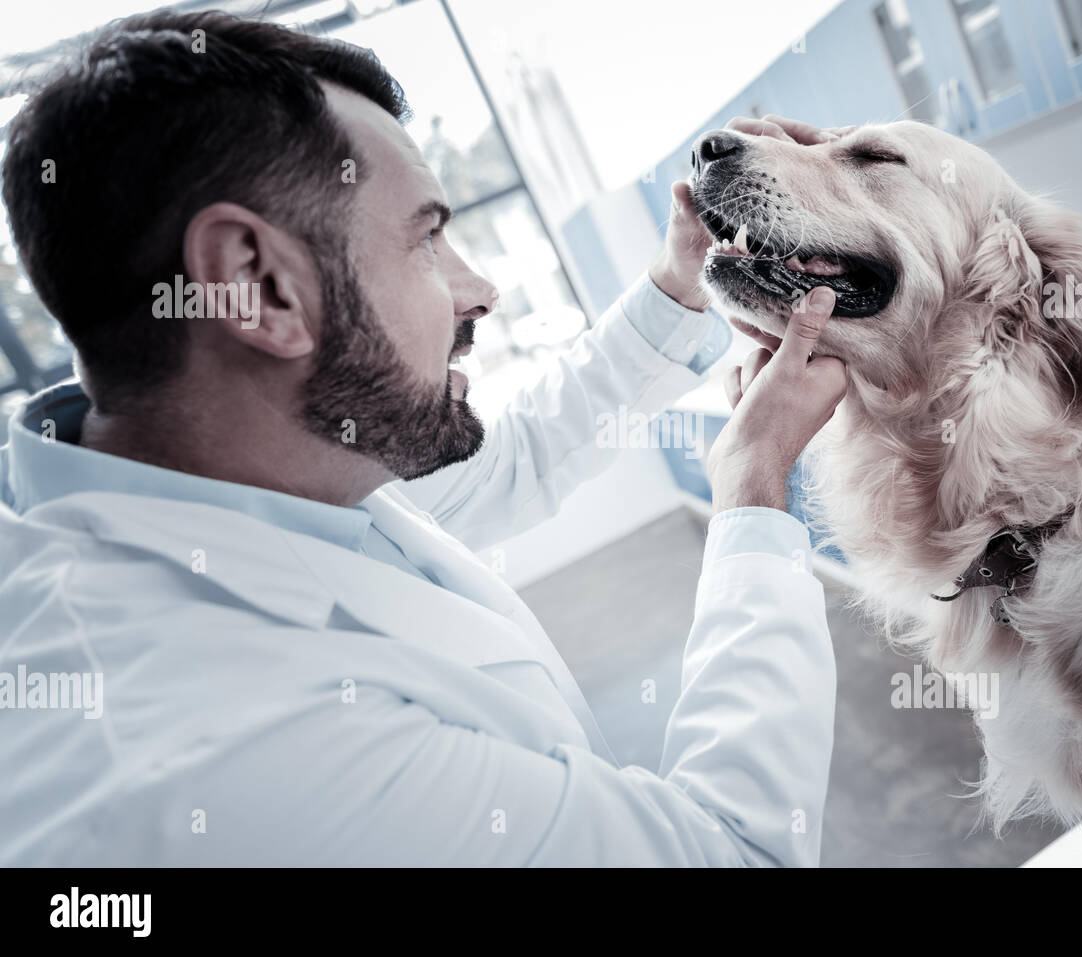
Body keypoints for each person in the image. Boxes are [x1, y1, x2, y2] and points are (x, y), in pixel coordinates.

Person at [0, 11, 847, 865]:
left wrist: (678, 278)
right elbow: (737, 854)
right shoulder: (230, 749)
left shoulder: (266, 471)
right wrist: (753, 482)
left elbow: (509, 462)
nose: (479, 291)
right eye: (426, 235)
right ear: (255, 284)